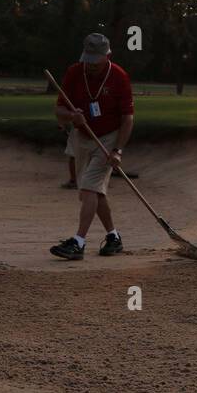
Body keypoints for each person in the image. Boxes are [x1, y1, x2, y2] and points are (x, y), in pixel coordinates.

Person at [51, 32, 135, 260]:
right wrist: (71, 116)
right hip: (82, 137)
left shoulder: (119, 77)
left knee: (89, 187)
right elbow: (58, 111)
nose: (89, 66)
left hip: (108, 138)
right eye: (87, 60)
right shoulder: (74, 72)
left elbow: (128, 118)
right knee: (92, 192)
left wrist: (117, 150)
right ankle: (113, 237)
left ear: (107, 56)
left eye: (95, 61)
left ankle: (78, 243)